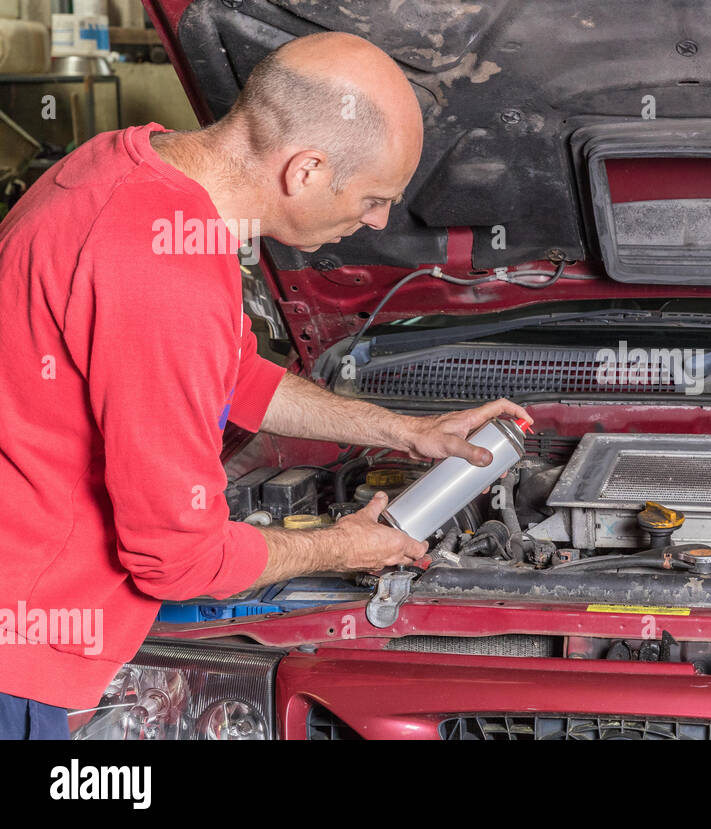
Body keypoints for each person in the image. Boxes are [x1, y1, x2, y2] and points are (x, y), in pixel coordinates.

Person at [0, 32, 530, 738]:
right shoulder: (164, 269)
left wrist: (405, 431)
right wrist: (343, 546)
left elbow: (235, 377)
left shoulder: (134, 174)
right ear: (305, 169)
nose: (377, 221)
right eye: (374, 197)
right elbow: (177, 561)